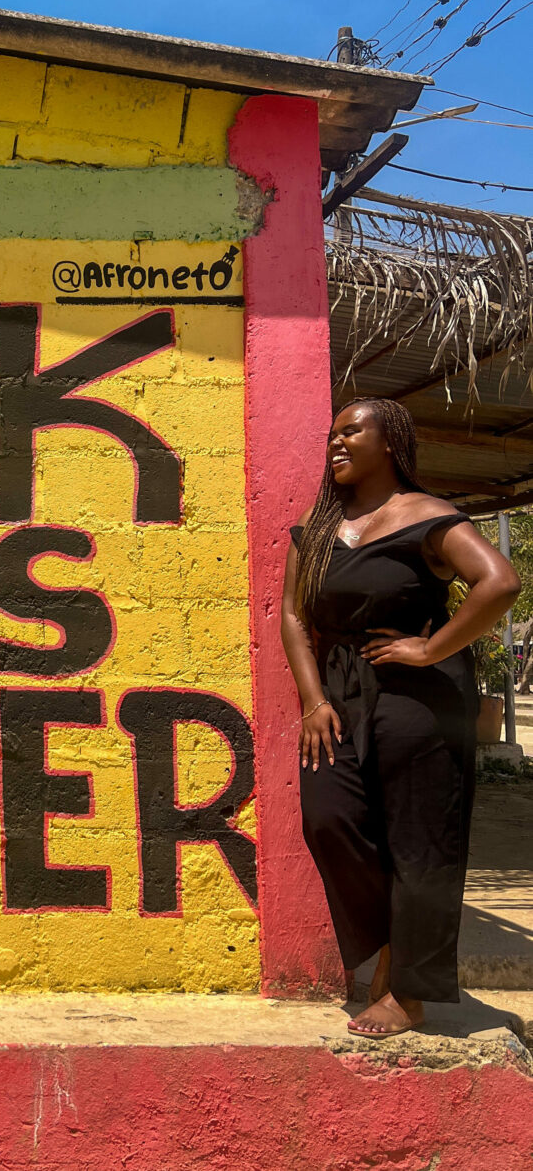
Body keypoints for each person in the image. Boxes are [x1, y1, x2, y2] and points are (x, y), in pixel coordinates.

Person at [280, 397, 521, 1037]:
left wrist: (431, 648)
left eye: (351, 431)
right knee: (328, 817)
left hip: (420, 696)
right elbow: (294, 616)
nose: (335, 442)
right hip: (338, 692)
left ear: (389, 441)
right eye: (331, 434)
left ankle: (407, 991)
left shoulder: (430, 517)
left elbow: (499, 581)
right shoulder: (317, 525)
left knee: (420, 840)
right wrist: (312, 700)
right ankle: (391, 947)